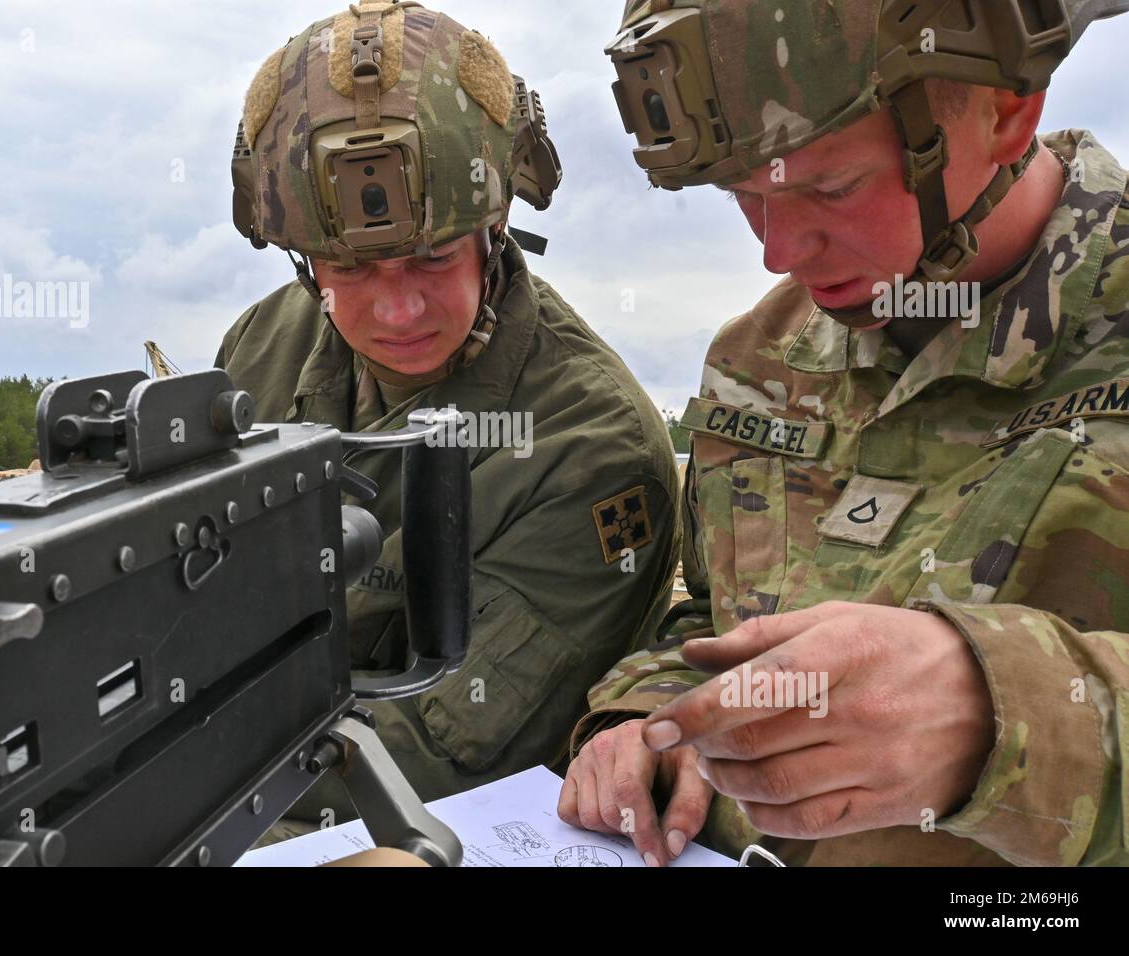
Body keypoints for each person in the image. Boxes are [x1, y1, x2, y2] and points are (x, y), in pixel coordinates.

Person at [560, 0, 1129, 867]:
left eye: (831, 188)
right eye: (743, 197)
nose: (779, 249)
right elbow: (709, 616)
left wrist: (1004, 715)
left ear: (1006, 111)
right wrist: (648, 717)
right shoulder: (757, 359)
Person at [217, 0, 680, 828]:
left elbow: (437, 754)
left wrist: (152, 779)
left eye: (431, 256)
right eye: (349, 270)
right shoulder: (263, 345)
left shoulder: (591, 450)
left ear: (494, 226)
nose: (397, 311)